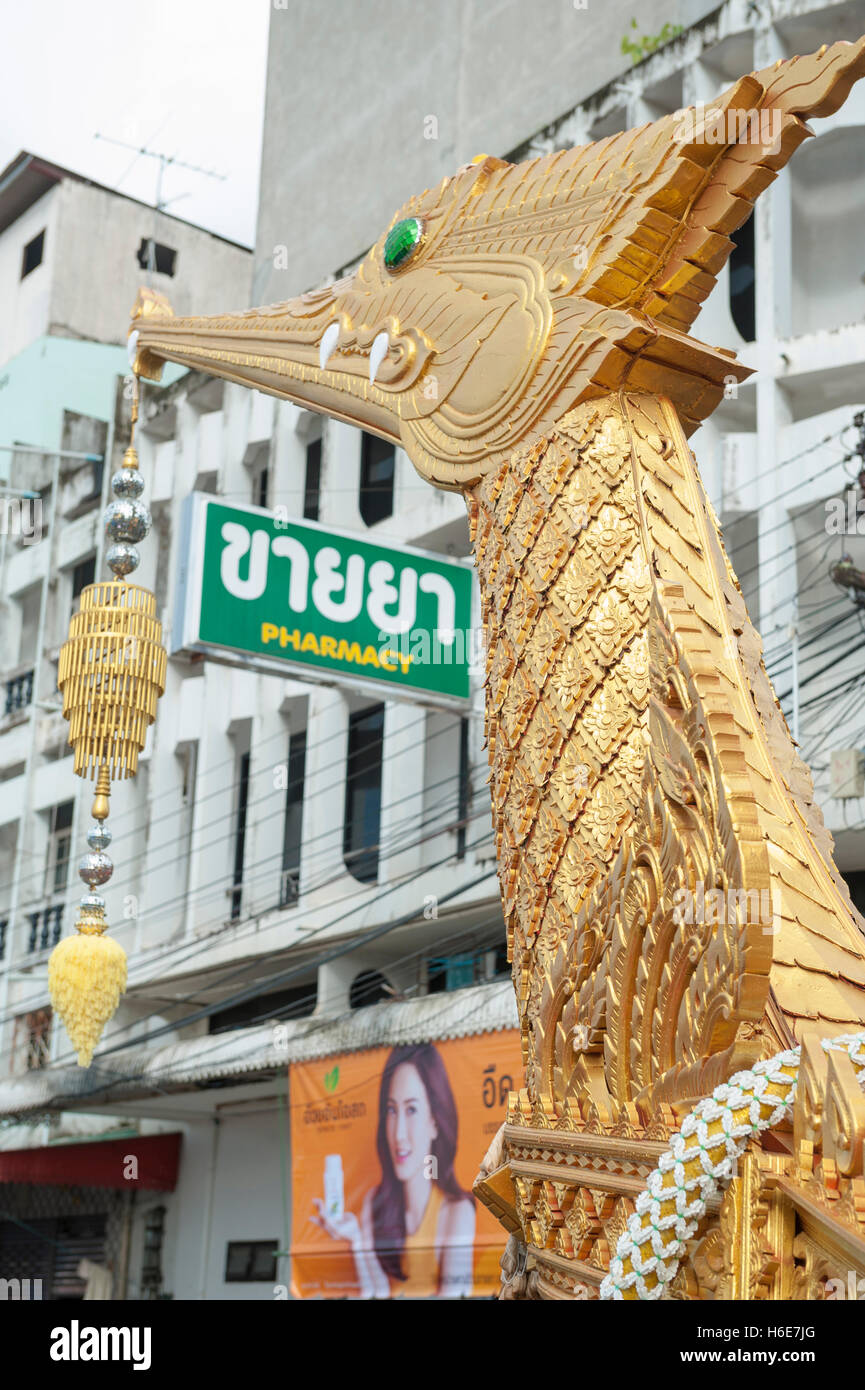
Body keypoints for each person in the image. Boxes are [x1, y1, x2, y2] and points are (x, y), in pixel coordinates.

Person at [312, 1044, 476, 1298]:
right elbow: (373, 1292)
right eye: (391, 1110)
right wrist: (356, 1240)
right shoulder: (375, 1202)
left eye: (411, 1110)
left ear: (434, 1122)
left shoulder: (457, 1212)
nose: (398, 1133)